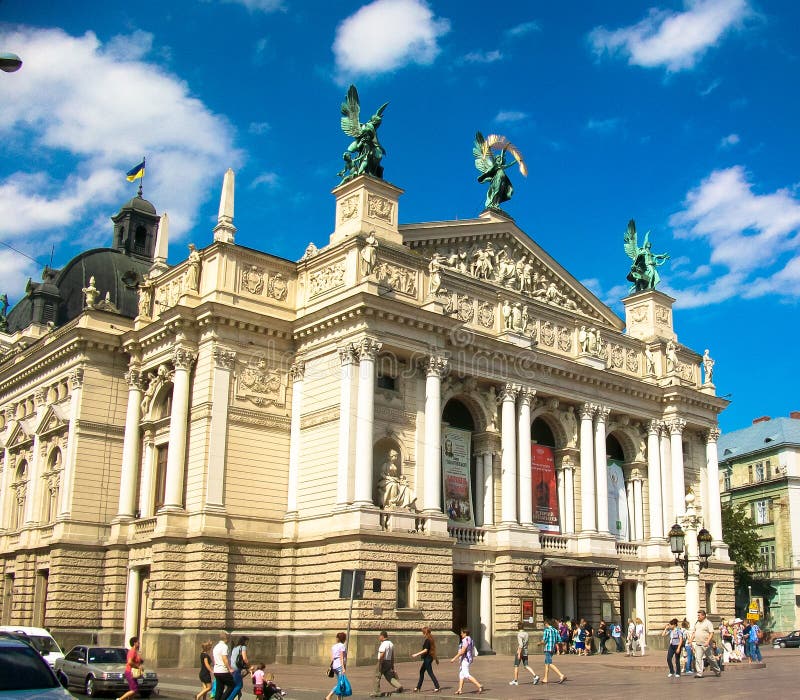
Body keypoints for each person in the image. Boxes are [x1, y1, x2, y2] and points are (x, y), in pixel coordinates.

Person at [689, 609, 721, 678]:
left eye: (699, 615)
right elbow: (694, 632)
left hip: (706, 644)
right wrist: (691, 640)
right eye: (698, 615)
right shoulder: (697, 623)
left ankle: (717, 671)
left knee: (711, 659)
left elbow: (711, 633)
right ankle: (699, 673)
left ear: (703, 616)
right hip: (698, 644)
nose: (698, 617)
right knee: (698, 658)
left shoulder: (708, 623)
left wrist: (708, 641)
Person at [450, 627, 482, 694]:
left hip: (465, 659)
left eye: (462, 633)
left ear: (465, 633)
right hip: (467, 659)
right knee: (461, 675)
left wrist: (454, 658)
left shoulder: (465, 640)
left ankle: (479, 685)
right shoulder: (470, 639)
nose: (461, 634)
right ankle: (460, 689)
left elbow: (462, 651)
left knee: (466, 675)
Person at [372, 630, 403, 696]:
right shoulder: (391, 643)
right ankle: (399, 686)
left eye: (379, 636)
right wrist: (392, 665)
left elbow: (382, 654)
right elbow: (392, 656)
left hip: (382, 661)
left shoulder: (383, 644)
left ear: (382, 636)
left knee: (377, 676)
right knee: (389, 676)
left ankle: (376, 692)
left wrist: (380, 663)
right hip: (388, 662)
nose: (379, 637)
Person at [412, 626, 440, 693]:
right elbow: (433, 650)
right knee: (422, 671)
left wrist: (416, 654)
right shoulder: (431, 639)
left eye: (423, 633)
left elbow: (425, 650)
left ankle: (437, 686)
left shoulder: (428, 640)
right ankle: (418, 687)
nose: (423, 634)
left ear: (425, 633)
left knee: (430, 672)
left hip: (427, 659)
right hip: (429, 658)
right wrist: (436, 659)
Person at [540, 618, 566, 684]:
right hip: (552, 649)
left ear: (546, 624)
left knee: (549, 663)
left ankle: (561, 675)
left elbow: (544, 640)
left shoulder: (546, 630)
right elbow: (559, 640)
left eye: (544, 624)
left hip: (548, 648)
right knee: (546, 664)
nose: (544, 626)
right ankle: (545, 679)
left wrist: (539, 643)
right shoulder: (555, 630)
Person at [213, 631, 236, 700]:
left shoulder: (216, 646)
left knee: (219, 689)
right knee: (232, 685)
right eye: (228, 638)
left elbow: (214, 658)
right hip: (223, 670)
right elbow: (224, 658)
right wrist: (230, 668)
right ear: (226, 638)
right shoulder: (224, 646)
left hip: (216, 670)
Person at [119, 636, 143, 700]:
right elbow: (130, 662)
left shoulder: (135, 651)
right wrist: (138, 666)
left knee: (134, 690)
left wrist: (140, 661)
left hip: (133, 673)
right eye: (138, 642)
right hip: (130, 672)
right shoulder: (132, 651)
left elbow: (136, 660)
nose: (139, 643)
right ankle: (120, 699)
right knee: (134, 689)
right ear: (134, 643)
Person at [325, 632, 348, 700]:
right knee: (340, 684)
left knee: (339, 682)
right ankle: (328, 696)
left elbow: (332, 658)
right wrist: (343, 667)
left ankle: (338, 699)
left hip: (334, 666)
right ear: (343, 639)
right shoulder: (342, 646)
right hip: (339, 666)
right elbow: (341, 657)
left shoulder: (334, 646)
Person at [229, 636, 251, 700]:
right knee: (239, 685)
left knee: (234, 684)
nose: (247, 643)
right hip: (237, 668)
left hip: (232, 667)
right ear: (244, 641)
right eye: (247, 642)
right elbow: (245, 658)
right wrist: (250, 666)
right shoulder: (243, 647)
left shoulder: (235, 647)